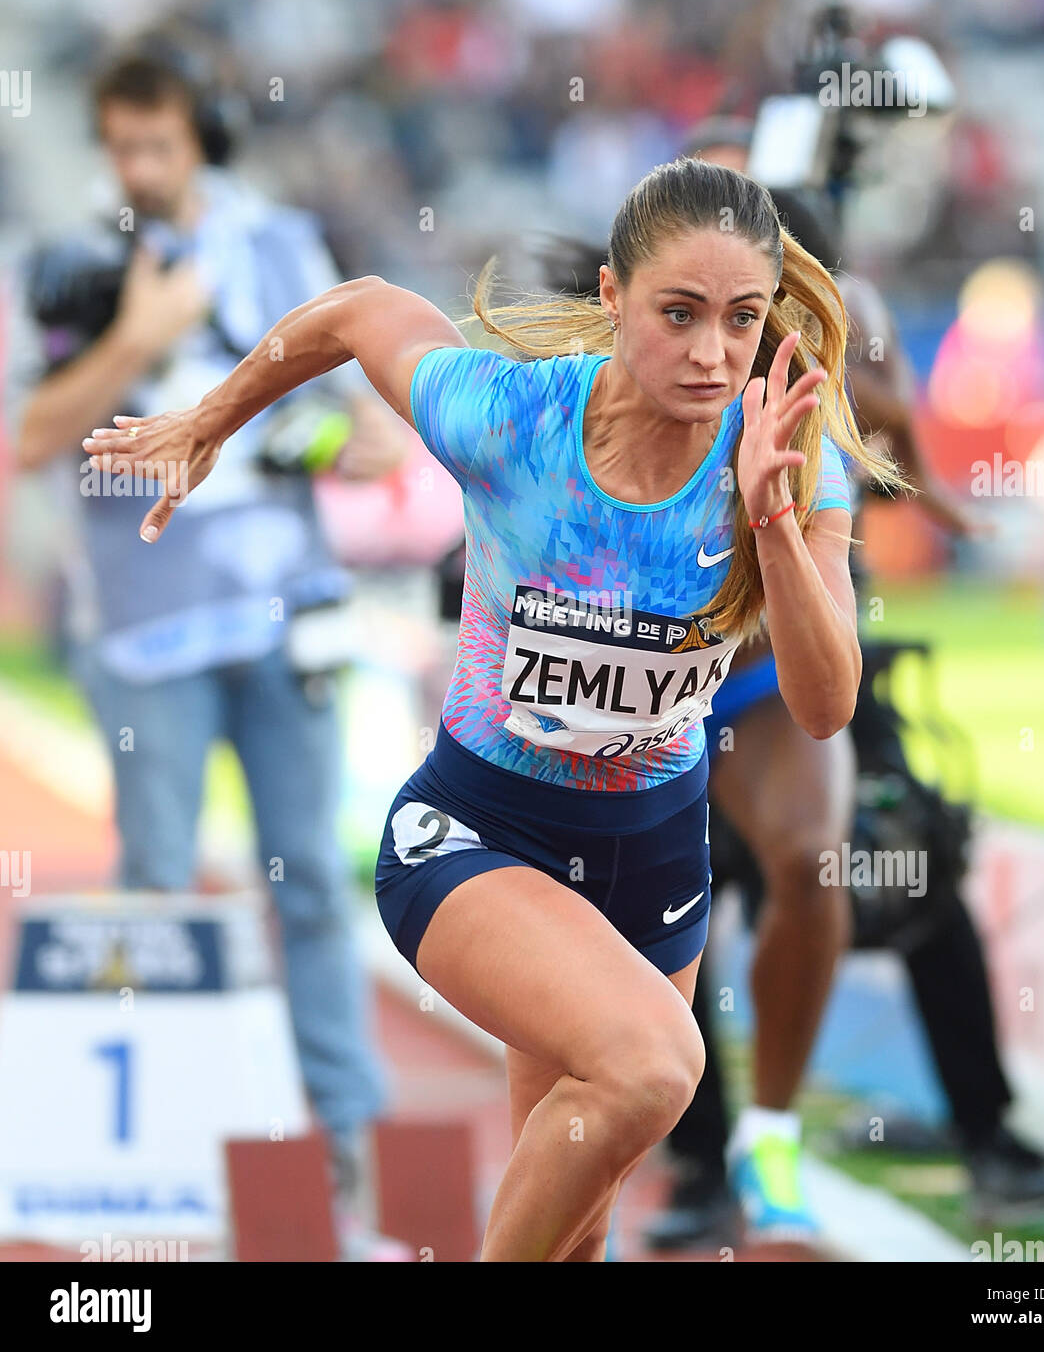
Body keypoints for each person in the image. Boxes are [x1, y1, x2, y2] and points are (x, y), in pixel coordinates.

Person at [81, 156, 904, 1262]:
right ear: (613, 298)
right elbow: (362, 311)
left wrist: (771, 528)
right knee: (657, 1064)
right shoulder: (511, 417)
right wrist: (211, 417)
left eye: (742, 320)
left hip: (652, 863)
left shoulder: (788, 453)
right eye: (679, 314)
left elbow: (820, 706)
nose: (713, 354)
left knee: (577, 1224)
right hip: (476, 836)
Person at [642, 122, 1044, 1248]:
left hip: (811, 644)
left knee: (905, 866)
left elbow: (892, 441)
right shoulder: (651, 316)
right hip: (670, 674)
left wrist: (809, 349)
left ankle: (989, 1139)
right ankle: (704, 1169)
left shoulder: (827, 296)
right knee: (664, 910)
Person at [13, 48, 408, 1258]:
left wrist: (338, 443)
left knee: (312, 886)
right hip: (144, 635)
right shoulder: (70, 264)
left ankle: (345, 1167)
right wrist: (139, 339)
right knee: (158, 889)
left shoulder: (283, 245)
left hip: (283, 612)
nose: (137, 168)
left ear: (209, 139)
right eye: (121, 146)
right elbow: (29, 435)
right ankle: (156, 1177)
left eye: (160, 145)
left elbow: (379, 431)